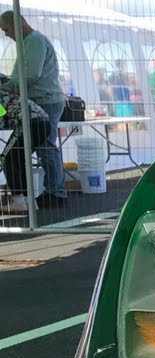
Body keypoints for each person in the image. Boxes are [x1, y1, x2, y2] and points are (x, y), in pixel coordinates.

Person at [0, 11, 66, 206]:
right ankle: (48, 192)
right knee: (35, 149)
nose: (6, 34)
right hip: (39, 102)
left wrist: (7, 86)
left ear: (18, 24)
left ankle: (55, 193)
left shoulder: (34, 41)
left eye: (6, 29)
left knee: (45, 147)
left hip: (44, 101)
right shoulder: (29, 42)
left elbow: (30, 75)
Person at [0, 88, 51, 213]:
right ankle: (29, 201)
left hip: (29, 124)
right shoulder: (8, 94)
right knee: (19, 160)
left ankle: (19, 202)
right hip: (43, 122)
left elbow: (1, 121)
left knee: (8, 160)